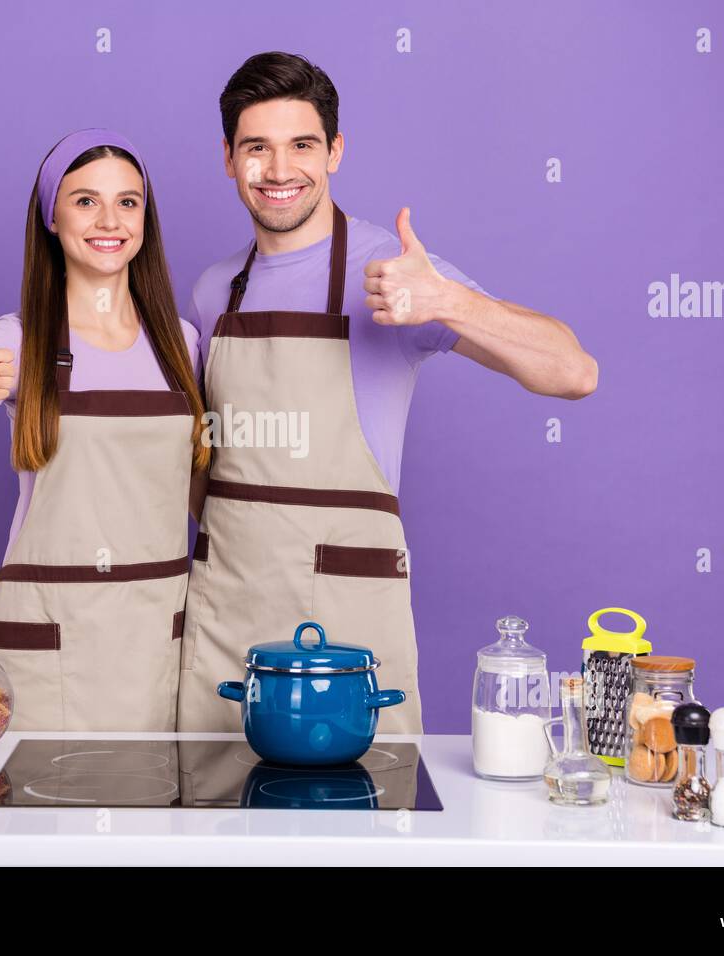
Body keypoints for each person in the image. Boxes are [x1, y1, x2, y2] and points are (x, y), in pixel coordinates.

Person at [177, 54, 599, 734]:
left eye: (302, 146)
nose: (280, 170)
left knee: (359, 818)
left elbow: (574, 372)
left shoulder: (392, 274)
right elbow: (199, 458)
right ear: (229, 158)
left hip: (347, 617)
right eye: (258, 147)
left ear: (335, 151)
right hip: (227, 615)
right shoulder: (211, 291)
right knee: (217, 820)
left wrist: (450, 301)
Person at [0, 129, 208, 731]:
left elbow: (201, 496)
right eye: (85, 201)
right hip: (46, 651)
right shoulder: (17, 342)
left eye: (128, 202)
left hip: (156, 648)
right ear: (52, 216)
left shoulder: (182, 344)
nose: (110, 220)